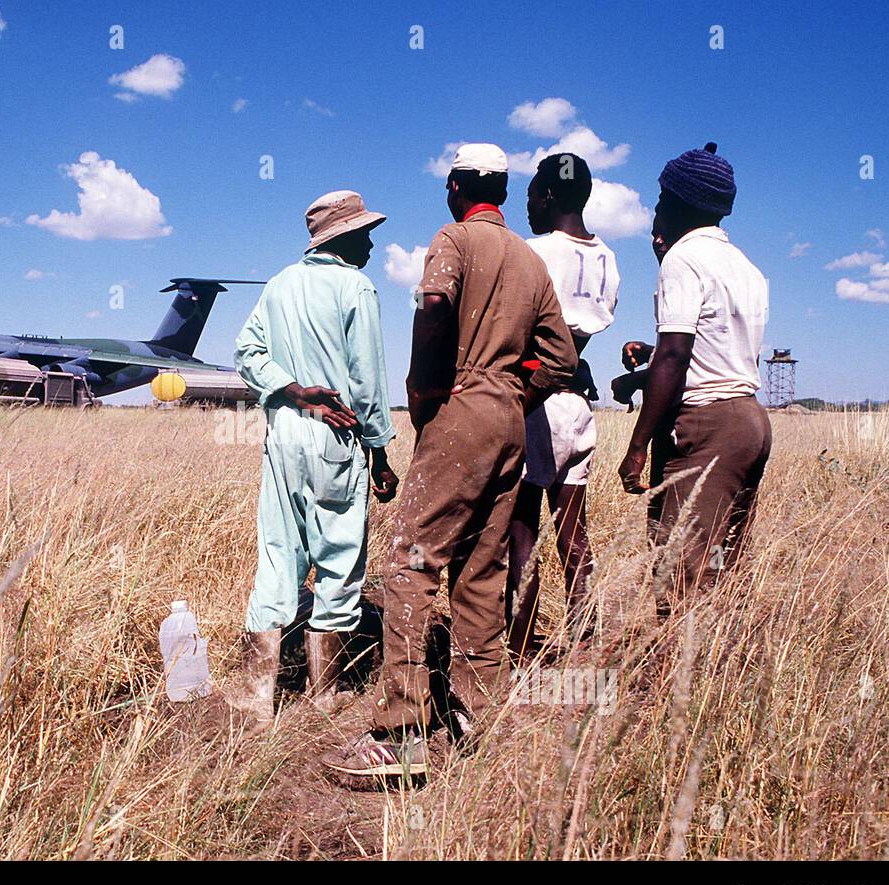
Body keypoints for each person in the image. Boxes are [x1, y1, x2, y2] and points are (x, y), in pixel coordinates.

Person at [324, 144, 578, 778]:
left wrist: (423, 386)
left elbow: (433, 305)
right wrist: (516, 388)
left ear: (459, 186)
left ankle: (401, 733)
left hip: (459, 406)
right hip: (510, 419)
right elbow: (562, 358)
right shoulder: (529, 258)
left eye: (450, 185)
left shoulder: (454, 239)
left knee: (411, 563)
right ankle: (477, 712)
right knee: (482, 568)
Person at [230, 189, 400, 733]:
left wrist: (293, 390)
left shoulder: (278, 284)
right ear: (344, 237)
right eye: (365, 233)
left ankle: (260, 693)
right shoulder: (356, 285)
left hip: (284, 431)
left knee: (279, 550)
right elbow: (368, 377)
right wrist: (379, 451)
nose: (371, 242)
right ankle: (323, 694)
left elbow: (246, 352)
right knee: (340, 552)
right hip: (338, 433)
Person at [617, 143, 771, 603]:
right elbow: (715, 352)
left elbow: (675, 357)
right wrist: (647, 363)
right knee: (721, 564)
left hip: (707, 425)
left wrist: (638, 445)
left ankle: (674, 672)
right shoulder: (747, 267)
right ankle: (715, 667)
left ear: (681, 203)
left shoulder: (682, 260)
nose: (657, 208)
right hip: (750, 420)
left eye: (662, 198)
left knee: (679, 571)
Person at [506, 152, 619, 654]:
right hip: (578, 402)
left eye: (531, 192)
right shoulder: (607, 258)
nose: (526, 202)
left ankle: (522, 640)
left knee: (522, 525)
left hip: (538, 399)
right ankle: (585, 633)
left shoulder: (534, 252)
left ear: (548, 196)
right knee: (574, 528)